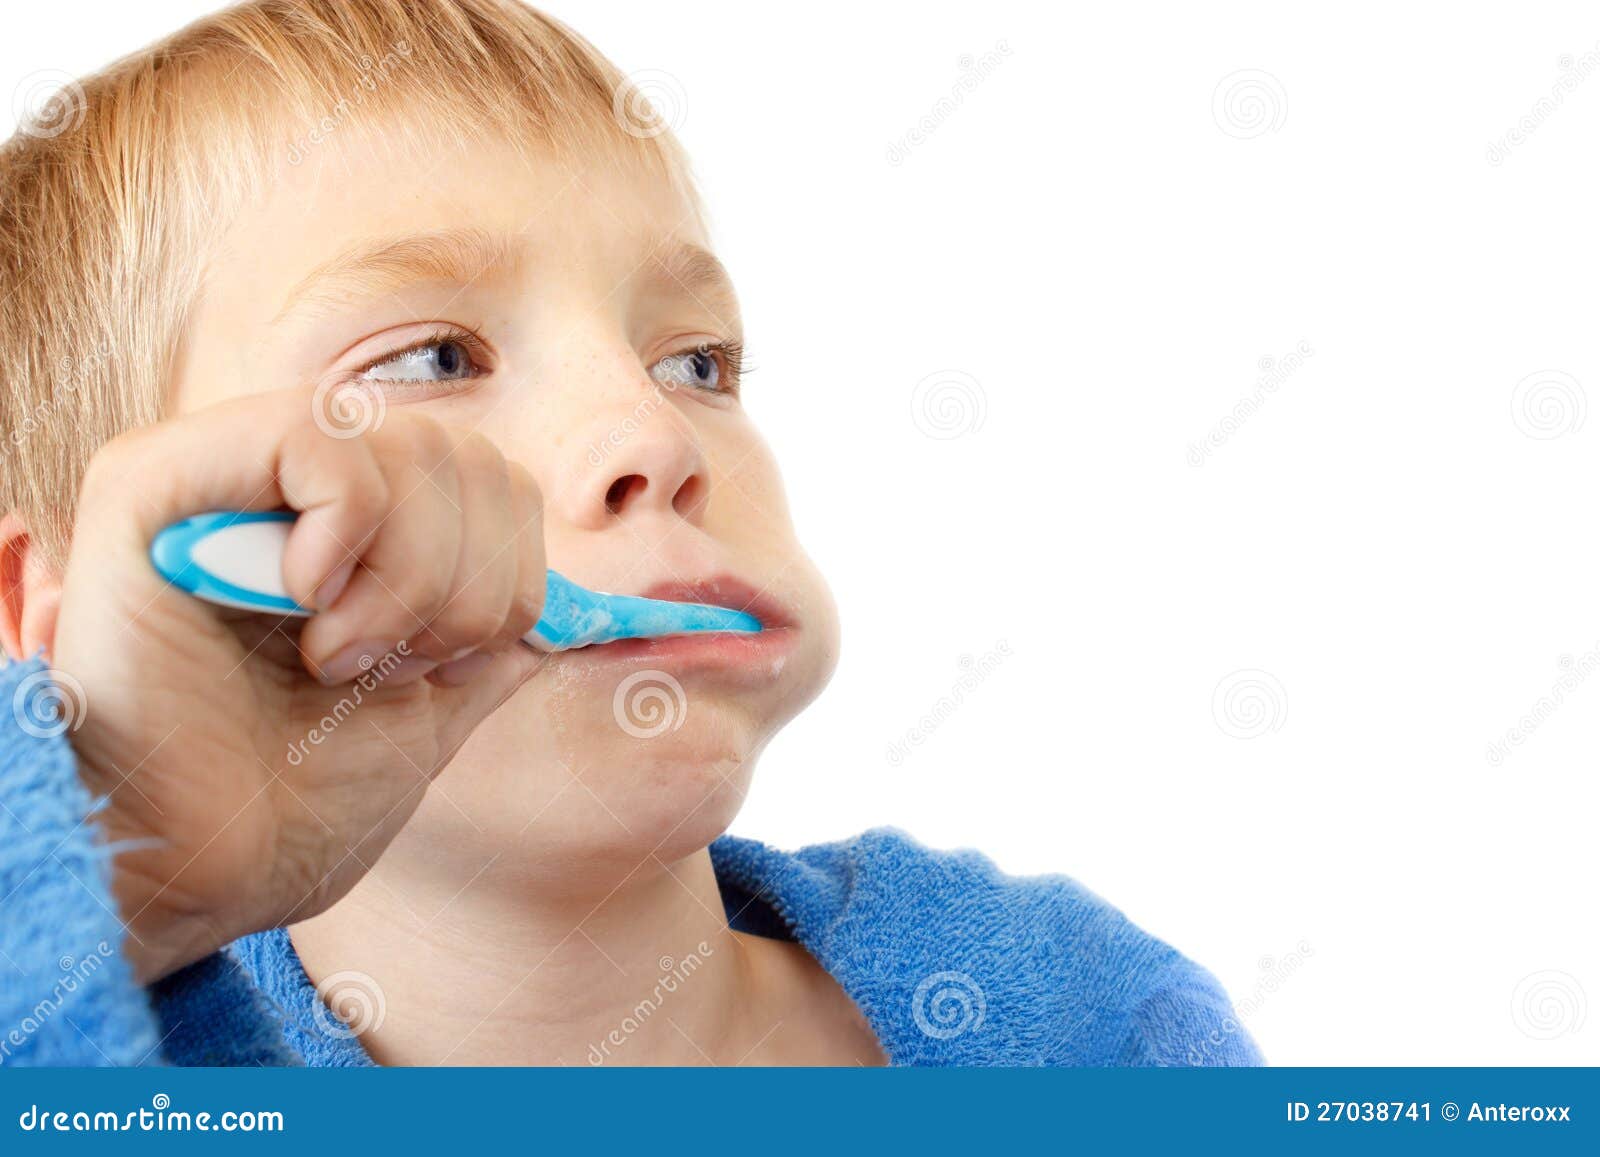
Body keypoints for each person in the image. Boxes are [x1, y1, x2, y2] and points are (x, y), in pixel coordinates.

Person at [0, 0, 1260, 1067]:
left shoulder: (1084, 1022)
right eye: (437, 356)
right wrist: (129, 870)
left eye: (695, 361)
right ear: (57, 616)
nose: (654, 439)